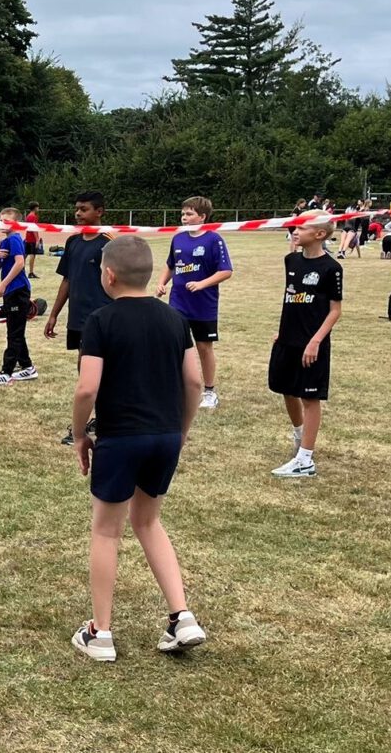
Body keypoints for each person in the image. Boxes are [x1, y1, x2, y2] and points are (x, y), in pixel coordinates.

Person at [69, 235, 206, 662]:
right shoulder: (174, 319)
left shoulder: (100, 321)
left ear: (108, 275)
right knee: (148, 522)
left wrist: (78, 434)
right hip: (164, 436)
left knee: (107, 530)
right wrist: (181, 430)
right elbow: (195, 383)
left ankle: (101, 633)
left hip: (122, 437)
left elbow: (87, 388)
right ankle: (181, 616)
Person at [269, 211, 343, 478]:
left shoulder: (331, 268)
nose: (295, 230)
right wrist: (282, 332)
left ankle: (306, 460)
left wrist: (315, 341)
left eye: (301, 227)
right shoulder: (291, 261)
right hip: (288, 338)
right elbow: (290, 299)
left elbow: (335, 310)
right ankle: (300, 437)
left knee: (309, 397)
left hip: (313, 343)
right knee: (285, 388)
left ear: (320, 234)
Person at [44, 191, 114, 444]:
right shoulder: (73, 242)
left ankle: (85, 427)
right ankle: (97, 418)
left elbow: (118, 283)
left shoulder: (109, 243)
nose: (78, 214)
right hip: (78, 318)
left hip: (102, 318)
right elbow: (67, 279)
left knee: (96, 371)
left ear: (99, 212)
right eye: (77, 209)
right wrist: (53, 314)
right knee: (84, 369)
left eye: (84, 209)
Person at [156, 196, 233, 409]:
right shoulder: (178, 238)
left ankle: (209, 392)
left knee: (203, 347)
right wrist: (161, 283)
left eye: (189, 214)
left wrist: (202, 284)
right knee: (175, 345)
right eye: (183, 213)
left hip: (203, 305)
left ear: (202, 217)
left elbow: (225, 271)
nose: (184, 217)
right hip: (178, 303)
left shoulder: (213, 239)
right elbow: (171, 265)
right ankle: (175, 388)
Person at [0, 206, 36, 386]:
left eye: (6, 220)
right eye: (1, 220)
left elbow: (20, 263)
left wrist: (3, 284)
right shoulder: (3, 242)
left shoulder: (14, 238)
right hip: (10, 292)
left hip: (17, 291)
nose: (2, 223)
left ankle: (6, 372)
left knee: (14, 332)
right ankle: (28, 367)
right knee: (15, 330)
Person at [24, 202, 42, 279]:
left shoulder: (28, 216)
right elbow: (33, 228)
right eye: (37, 207)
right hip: (32, 238)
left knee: (25, 254)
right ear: (35, 208)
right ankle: (31, 272)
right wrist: (37, 239)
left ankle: (21, 270)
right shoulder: (33, 216)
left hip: (28, 237)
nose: (38, 209)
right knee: (32, 254)